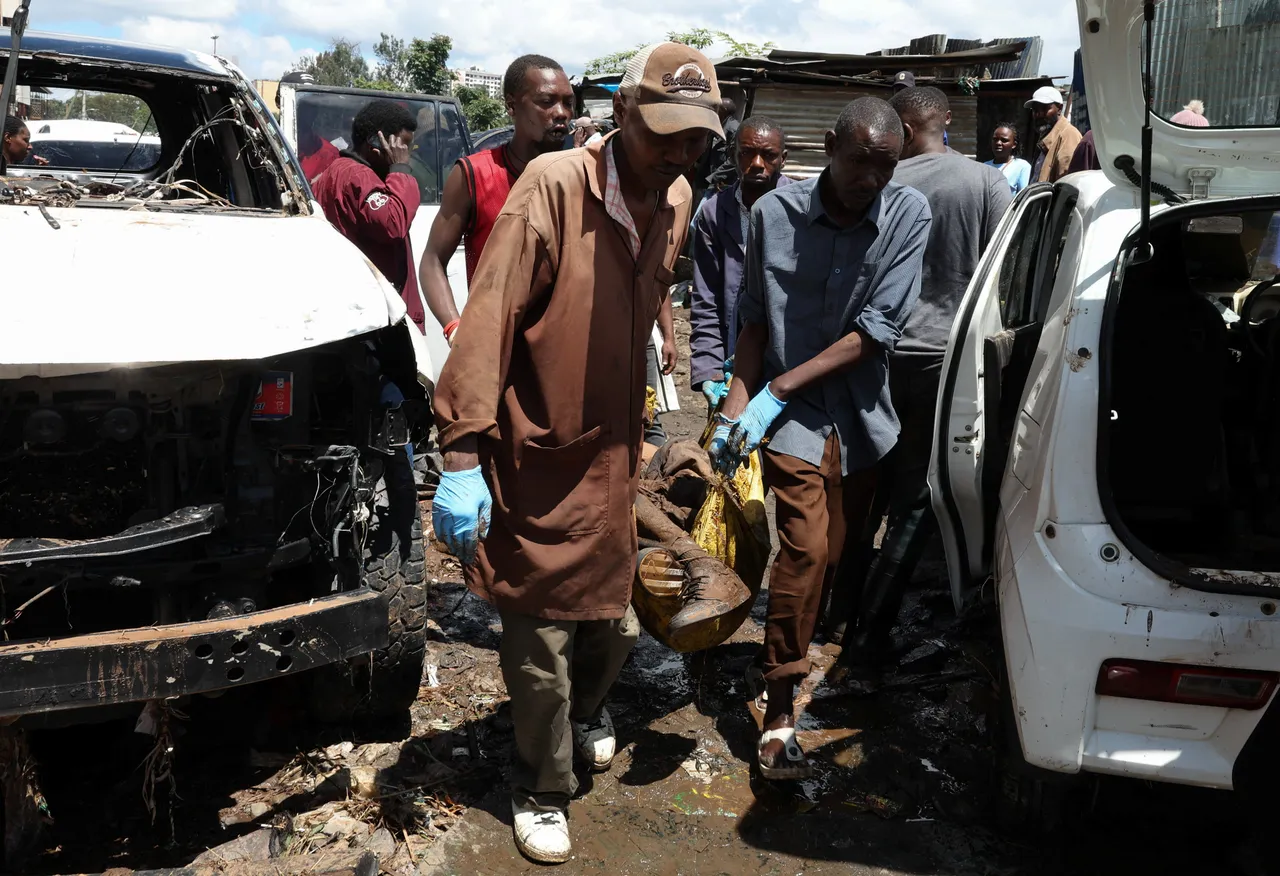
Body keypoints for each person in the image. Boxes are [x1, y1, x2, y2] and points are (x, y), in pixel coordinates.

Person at [430, 42, 722, 863]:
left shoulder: (678, 197)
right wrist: (460, 452)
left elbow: (658, 288)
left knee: (620, 624)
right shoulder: (550, 190)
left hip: (615, 454)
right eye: (666, 133)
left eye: (696, 138)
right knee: (541, 646)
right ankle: (540, 786)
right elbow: (487, 317)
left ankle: (586, 714)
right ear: (622, 113)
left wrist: (668, 357)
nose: (680, 151)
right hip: (536, 450)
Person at [709, 96, 931, 780]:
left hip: (861, 416)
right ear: (830, 146)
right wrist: (734, 411)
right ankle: (780, 711)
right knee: (802, 551)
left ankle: (787, 640)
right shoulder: (772, 214)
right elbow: (751, 322)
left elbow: (874, 334)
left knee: (836, 556)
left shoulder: (907, 216)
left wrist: (773, 390)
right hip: (790, 421)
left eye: (885, 165)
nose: (871, 177)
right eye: (860, 160)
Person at [831, 86, 1011, 669]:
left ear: (901, 128)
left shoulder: (878, 183)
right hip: (943, 360)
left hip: (873, 353)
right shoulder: (986, 183)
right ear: (944, 121)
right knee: (913, 498)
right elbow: (1001, 280)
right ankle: (868, 636)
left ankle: (835, 612)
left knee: (860, 489)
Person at [420, 55, 573, 345]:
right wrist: (455, 327)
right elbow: (432, 261)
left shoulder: (580, 176)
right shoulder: (474, 175)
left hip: (563, 352)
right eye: (546, 101)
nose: (561, 112)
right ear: (512, 105)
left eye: (568, 102)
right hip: (496, 350)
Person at [689, 115, 793, 408]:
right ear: (734, 155)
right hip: (732, 358)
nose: (757, 163)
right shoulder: (714, 213)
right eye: (747, 153)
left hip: (787, 363)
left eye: (768, 155)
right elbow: (706, 297)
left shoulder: (803, 209)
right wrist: (709, 367)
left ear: (782, 159)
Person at [311, 100, 425, 330]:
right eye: (402, 147)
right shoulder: (356, 176)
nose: (406, 155)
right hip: (374, 319)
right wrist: (401, 170)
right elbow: (392, 224)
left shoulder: (340, 172)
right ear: (377, 142)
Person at [276, 71, 338, 183]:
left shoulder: (329, 154)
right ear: (279, 103)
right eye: (301, 103)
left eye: (313, 104)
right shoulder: (262, 142)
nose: (309, 110)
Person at [1026, 85, 1082, 183]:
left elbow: (1065, 182)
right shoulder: (1046, 135)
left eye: (1044, 109)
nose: (1039, 114)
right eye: (1035, 110)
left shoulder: (1069, 135)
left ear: (1059, 109)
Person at [893, 73, 949, 147]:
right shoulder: (889, 111)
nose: (901, 93)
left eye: (905, 89)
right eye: (898, 90)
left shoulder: (924, 113)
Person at [985, 122, 1032, 194]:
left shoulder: (1022, 167)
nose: (998, 143)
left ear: (1014, 144)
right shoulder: (984, 166)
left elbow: (1023, 197)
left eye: (1004, 140)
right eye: (995, 139)